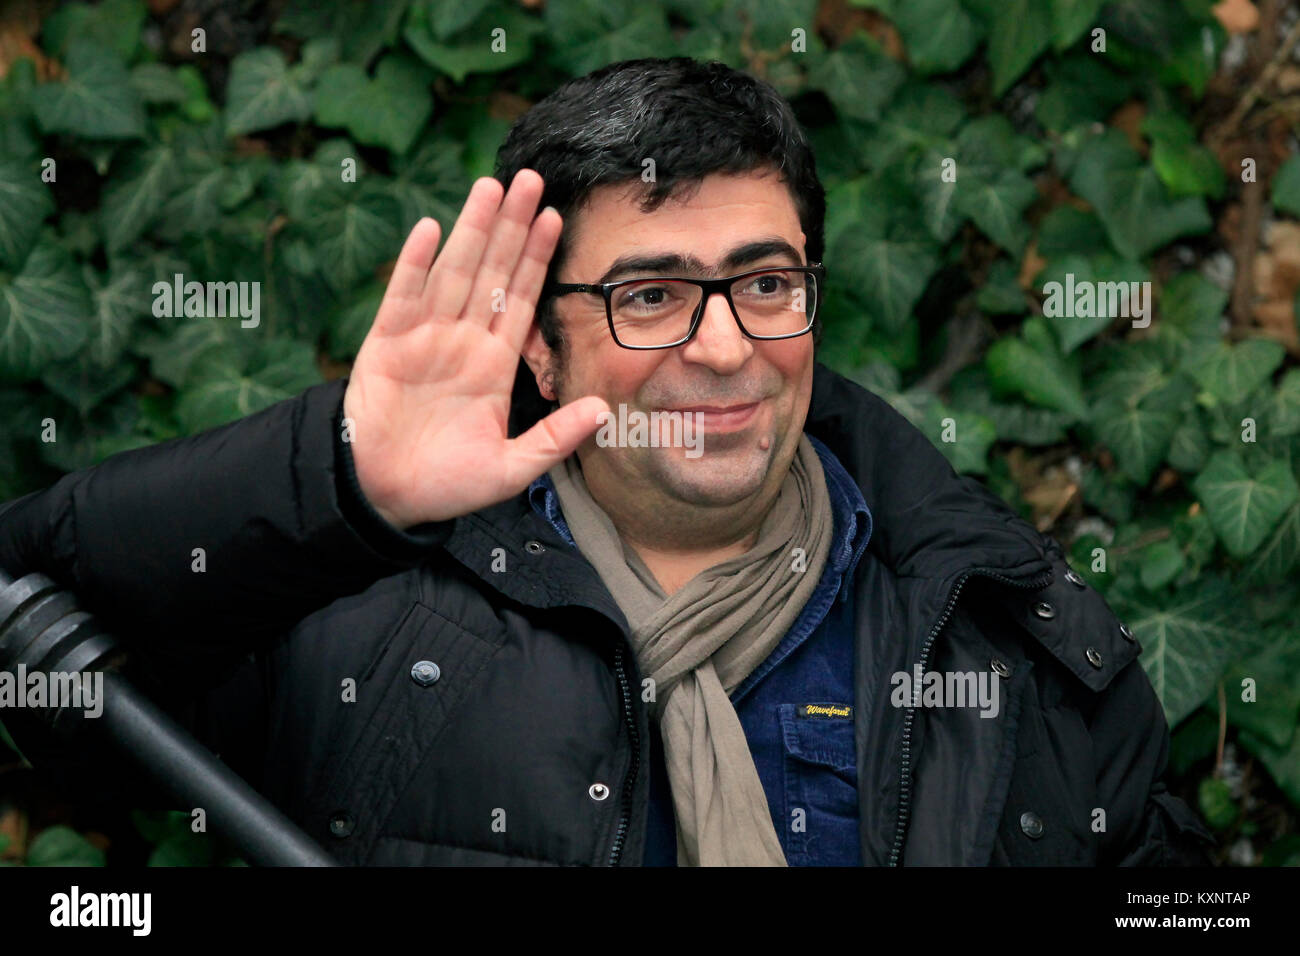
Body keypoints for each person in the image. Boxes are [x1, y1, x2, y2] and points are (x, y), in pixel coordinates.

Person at [0, 57, 1212, 866]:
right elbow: (27, 655)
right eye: (651, 294)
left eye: (765, 282)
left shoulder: (1009, 637)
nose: (727, 345)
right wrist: (342, 478)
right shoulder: (350, 618)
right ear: (538, 340)